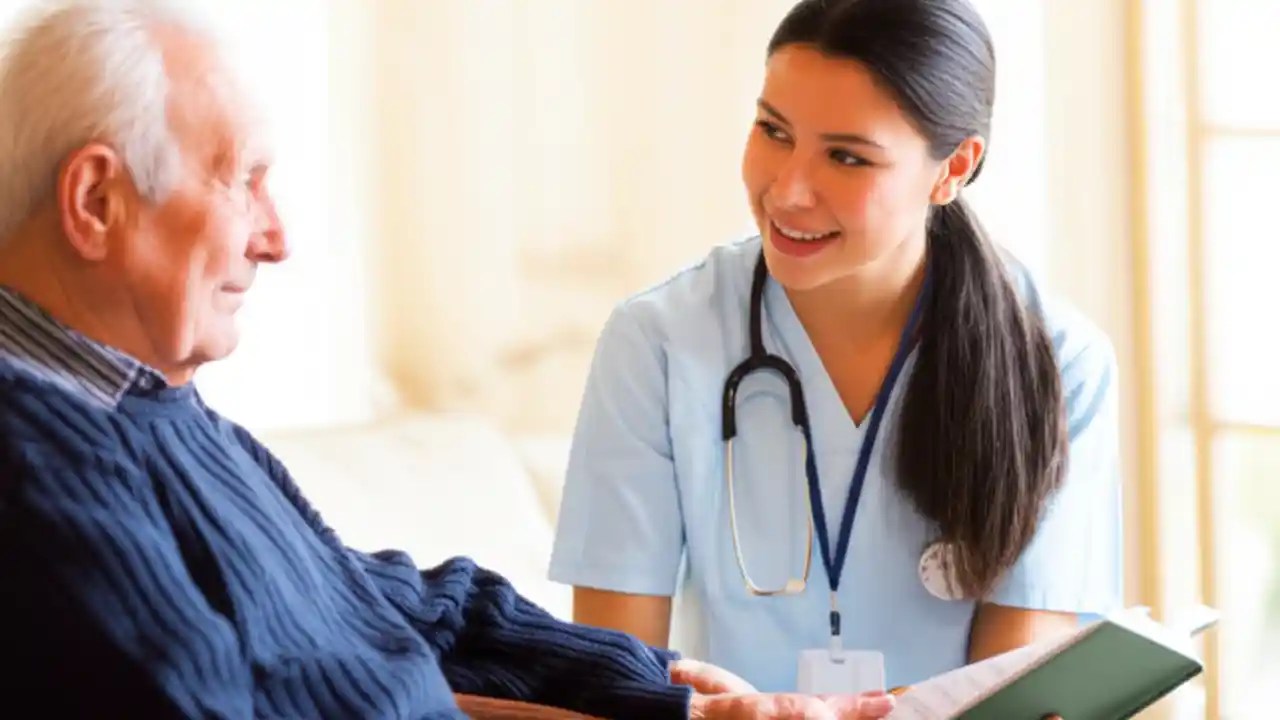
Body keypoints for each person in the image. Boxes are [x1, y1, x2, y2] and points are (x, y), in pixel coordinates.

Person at [0, 2, 898, 718]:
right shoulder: (35, 465)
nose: (276, 239)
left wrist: (676, 699)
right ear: (95, 201)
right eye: (243, 180)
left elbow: (407, 609)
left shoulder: (158, 413)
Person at [549, 0, 1123, 699]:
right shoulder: (659, 343)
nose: (788, 191)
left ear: (954, 167)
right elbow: (620, 681)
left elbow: (1013, 698)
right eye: (773, 131)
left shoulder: (1060, 363)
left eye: (847, 156)